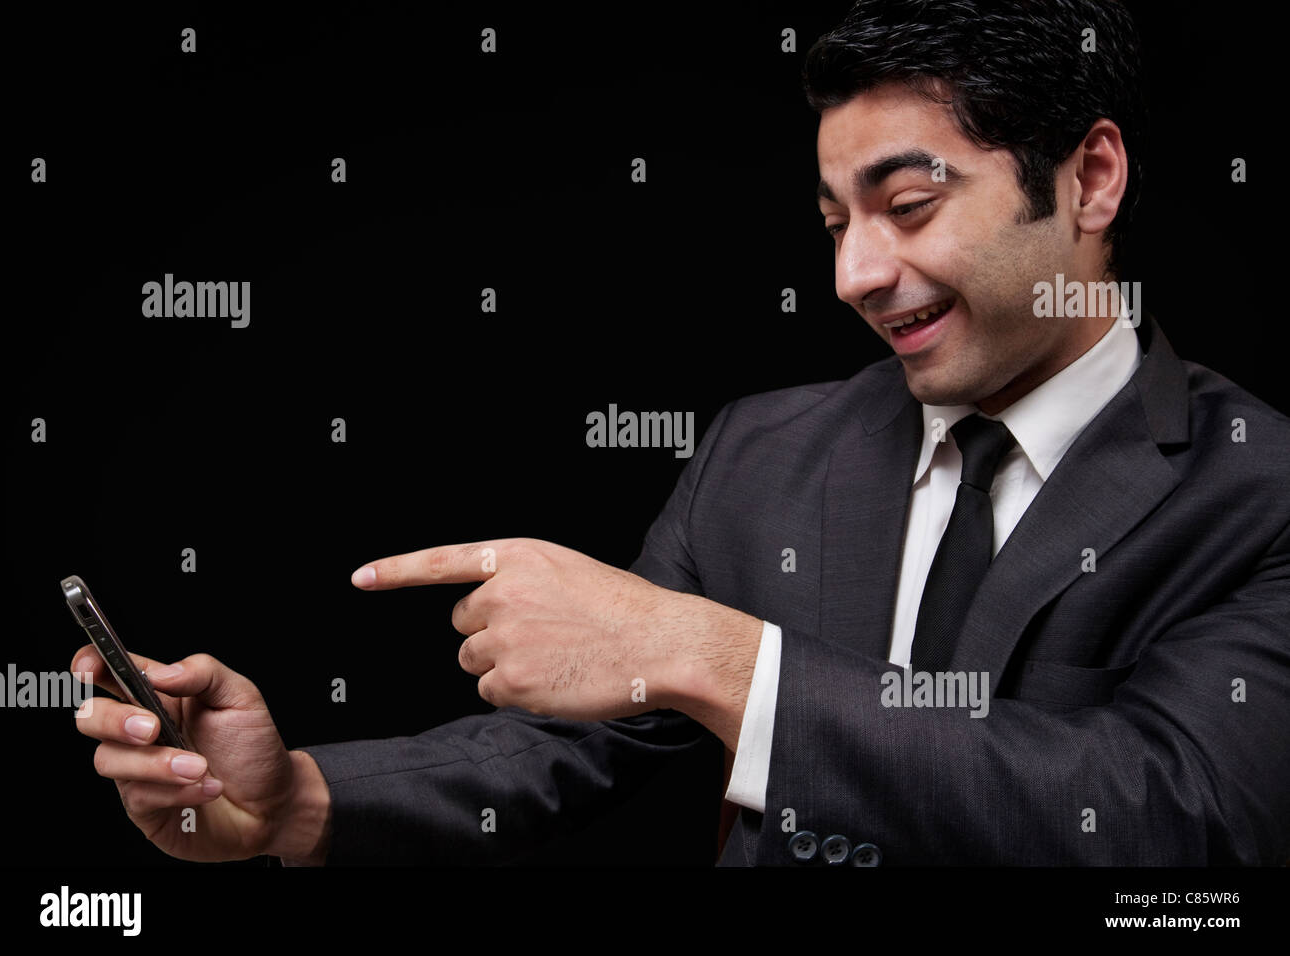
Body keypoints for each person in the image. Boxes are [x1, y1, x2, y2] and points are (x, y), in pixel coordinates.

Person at [70, 0, 1290, 866]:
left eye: (908, 206)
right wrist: (297, 798)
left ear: (1090, 179)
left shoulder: (1261, 489)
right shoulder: (764, 452)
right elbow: (570, 750)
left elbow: (1179, 825)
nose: (856, 272)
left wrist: (716, 654)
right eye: (831, 220)